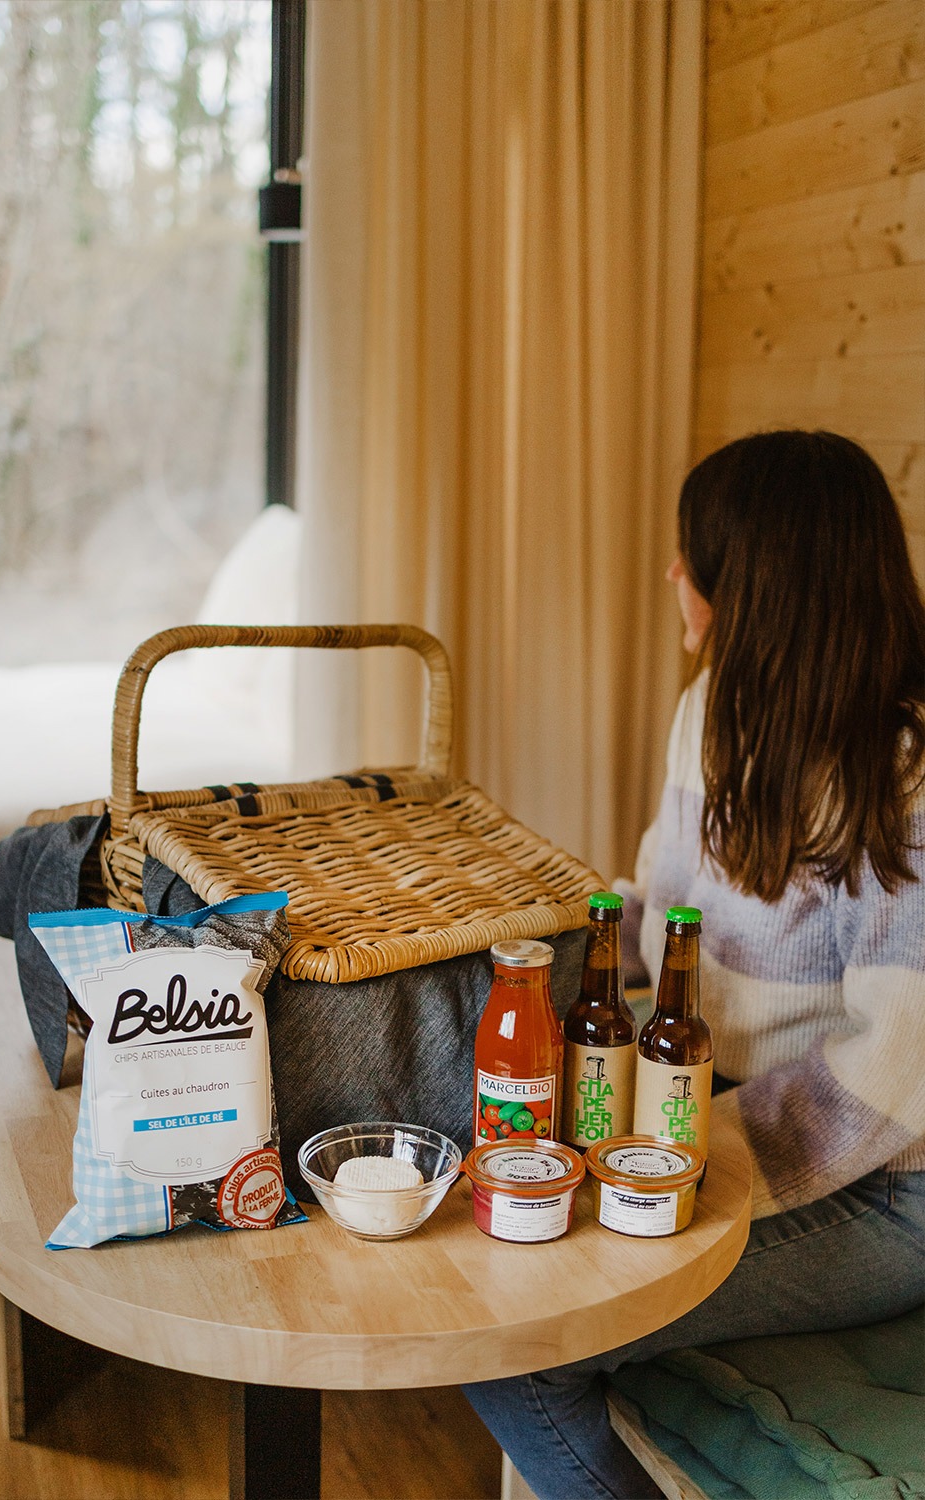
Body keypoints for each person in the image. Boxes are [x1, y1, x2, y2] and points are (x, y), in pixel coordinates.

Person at [463, 429, 925, 1500]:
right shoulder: (710, 712)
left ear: (755, 584)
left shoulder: (906, 779)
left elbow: (893, 1076)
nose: (674, 573)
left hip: (884, 1192)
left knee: (521, 1346)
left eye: (693, 553)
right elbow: (656, 920)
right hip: (716, 1118)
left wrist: (673, 1157)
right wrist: (523, 941)